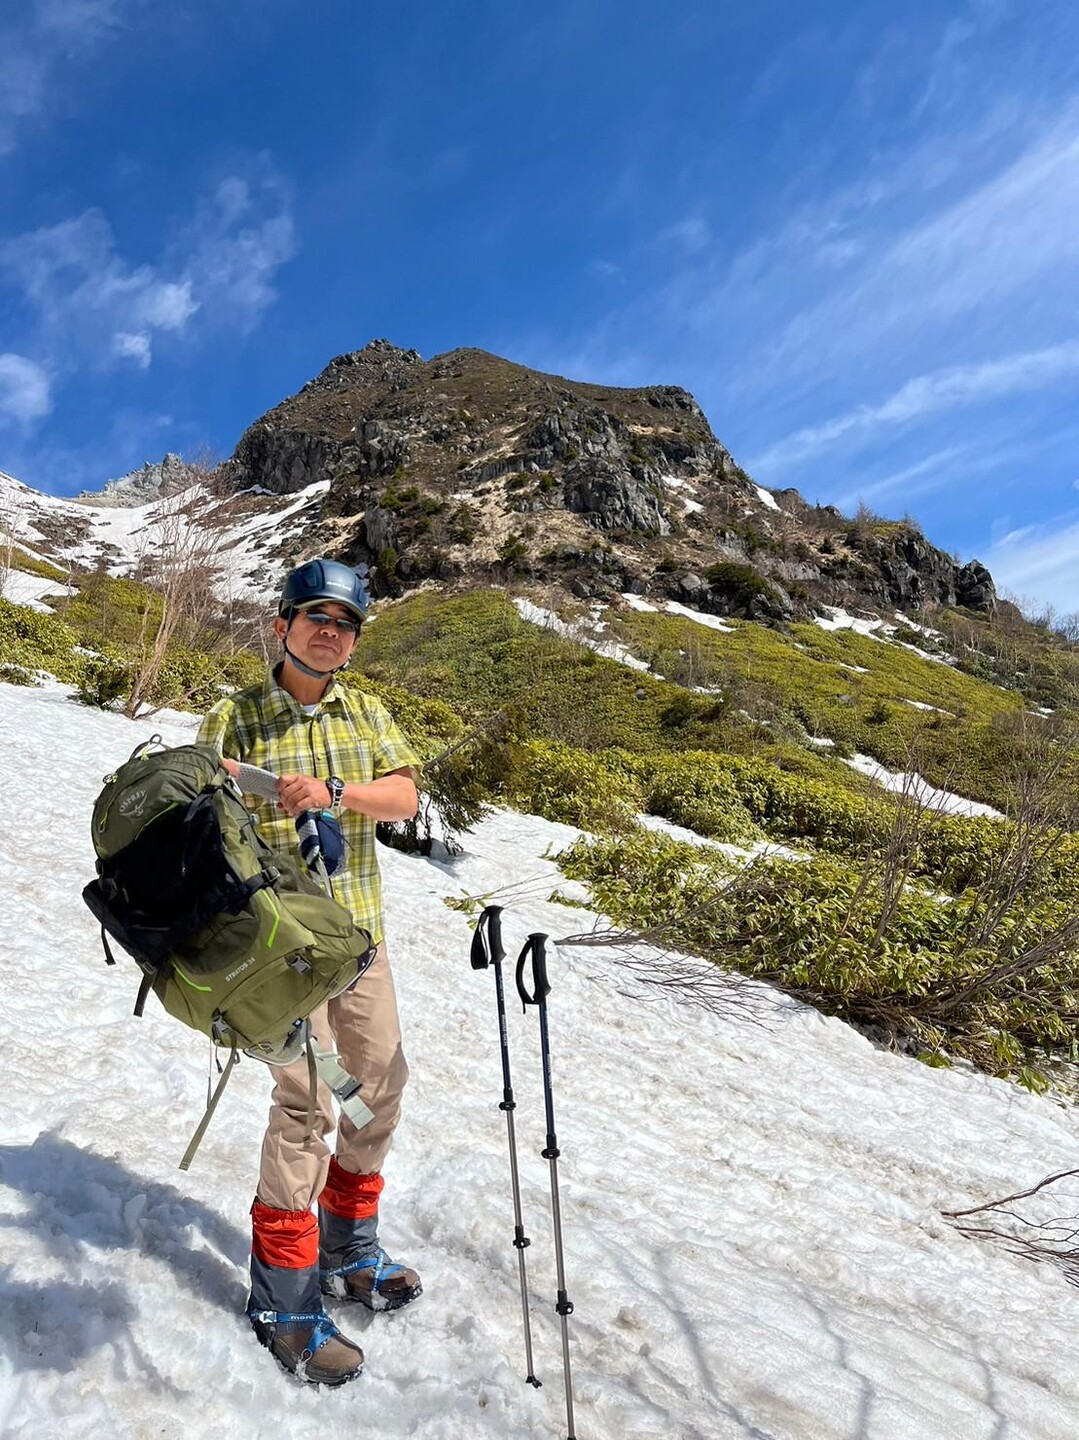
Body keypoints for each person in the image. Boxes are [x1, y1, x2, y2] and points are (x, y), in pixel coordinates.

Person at [197, 557, 422, 1387]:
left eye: (345, 622)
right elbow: (202, 807)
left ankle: (349, 1246)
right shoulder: (238, 714)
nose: (330, 632)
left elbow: (402, 797)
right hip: (279, 948)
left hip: (357, 937)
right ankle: (284, 1298)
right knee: (305, 1102)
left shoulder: (367, 711)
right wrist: (251, 789)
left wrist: (333, 793)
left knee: (378, 1080)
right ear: (282, 624)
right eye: (315, 616)